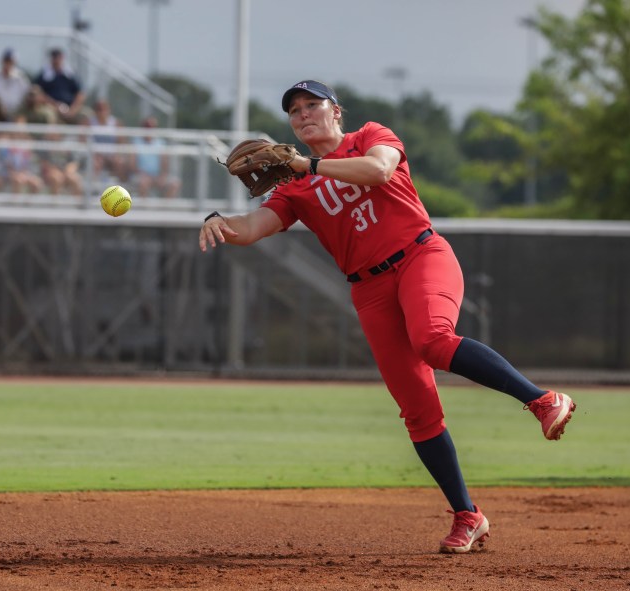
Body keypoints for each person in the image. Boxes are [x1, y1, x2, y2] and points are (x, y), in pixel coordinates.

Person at [198, 79, 577, 554]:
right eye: (294, 110)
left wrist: (305, 163)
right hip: (370, 289)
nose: (302, 114)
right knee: (417, 410)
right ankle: (468, 515)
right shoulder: (296, 187)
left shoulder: (372, 136)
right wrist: (219, 221)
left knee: (433, 340)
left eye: (312, 104)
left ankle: (541, 401)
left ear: (337, 111)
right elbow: (253, 228)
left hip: (421, 257)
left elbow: (378, 172)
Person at [132, 116, 180, 198]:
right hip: (141, 175)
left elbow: (165, 163)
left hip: (157, 176)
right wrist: (142, 174)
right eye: (147, 126)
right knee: (143, 182)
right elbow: (132, 164)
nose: (150, 130)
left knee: (174, 184)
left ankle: (165, 209)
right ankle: (144, 209)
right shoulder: (135, 142)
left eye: (152, 127)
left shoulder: (160, 143)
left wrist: (163, 175)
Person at [34, 47, 85, 123]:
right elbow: (37, 93)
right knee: (48, 115)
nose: (56, 60)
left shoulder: (70, 74)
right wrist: (55, 105)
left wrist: (72, 110)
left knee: (85, 116)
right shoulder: (43, 75)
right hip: (50, 108)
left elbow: (80, 94)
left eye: (59, 57)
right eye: (54, 58)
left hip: (71, 108)